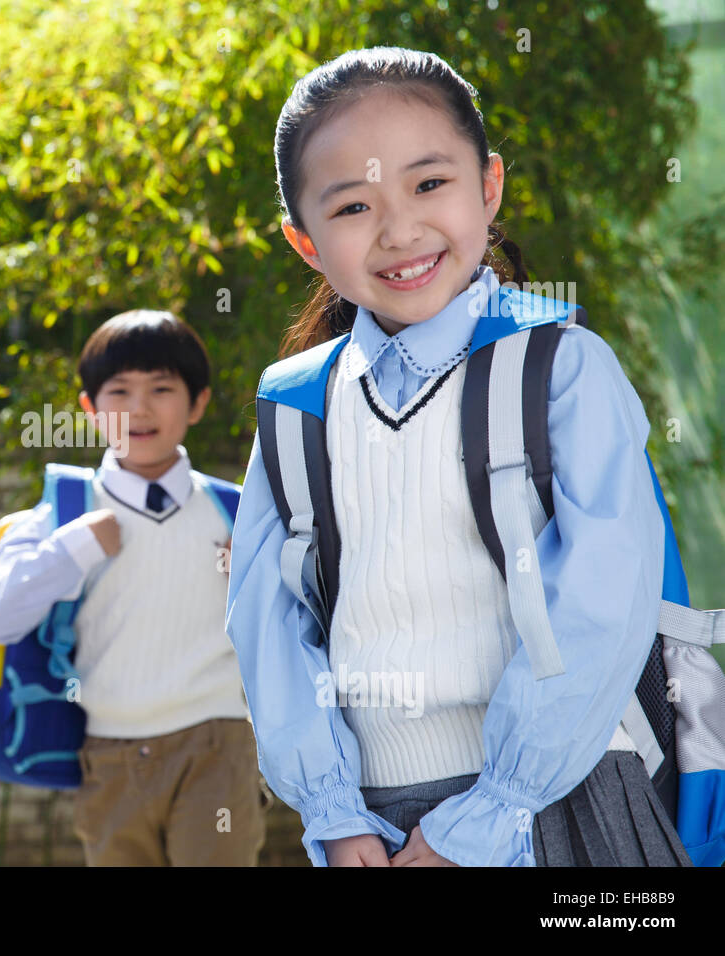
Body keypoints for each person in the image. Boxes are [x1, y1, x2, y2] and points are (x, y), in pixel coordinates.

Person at [226, 46, 691, 867]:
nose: (400, 229)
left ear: (489, 186)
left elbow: (602, 604)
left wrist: (492, 811)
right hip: (371, 828)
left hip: (562, 805)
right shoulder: (294, 405)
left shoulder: (561, 366)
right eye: (352, 208)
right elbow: (270, 630)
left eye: (429, 184)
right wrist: (333, 814)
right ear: (304, 243)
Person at [0, 310, 267, 866]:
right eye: (119, 390)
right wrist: (73, 547)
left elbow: (297, 621)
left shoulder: (239, 512)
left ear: (198, 402)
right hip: (108, 755)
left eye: (161, 388)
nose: (140, 408)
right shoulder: (65, 513)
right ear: (90, 410)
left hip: (217, 748)